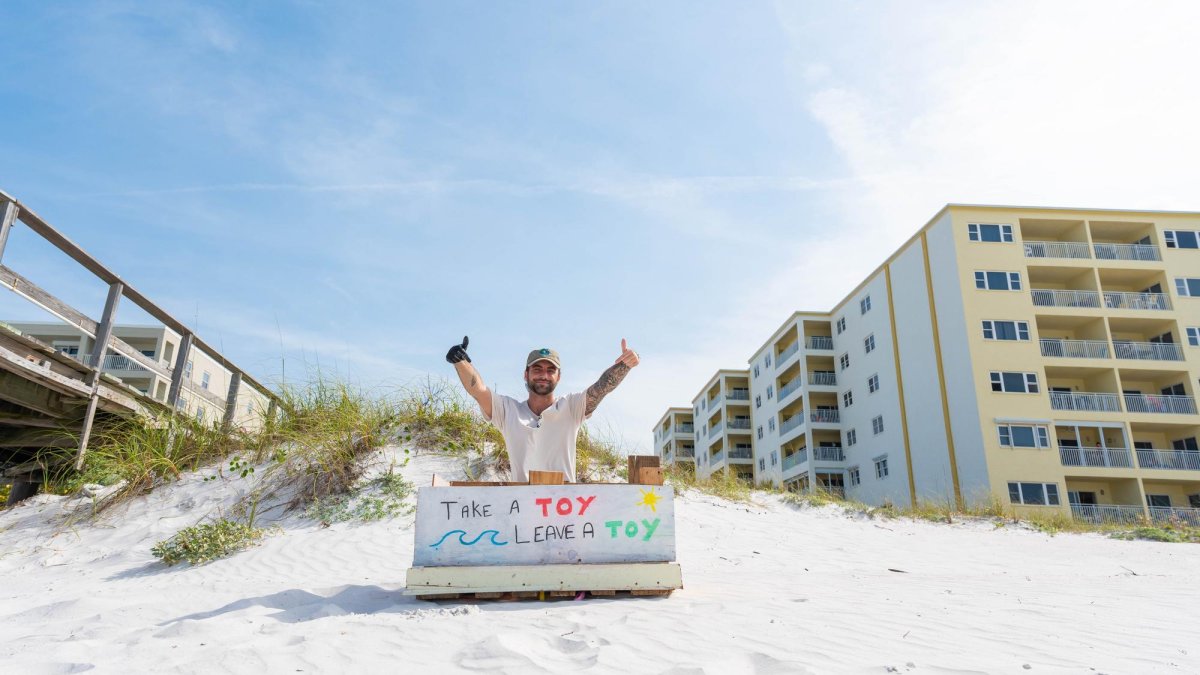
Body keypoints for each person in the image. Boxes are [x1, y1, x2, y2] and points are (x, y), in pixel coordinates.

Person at [446, 336, 639, 482]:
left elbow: (602, 387)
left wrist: (624, 365)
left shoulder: (571, 407)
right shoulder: (507, 411)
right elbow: (478, 390)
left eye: (550, 370)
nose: (543, 375)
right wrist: (461, 361)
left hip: (564, 514)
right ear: (526, 374)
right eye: (537, 369)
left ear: (558, 377)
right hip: (522, 511)